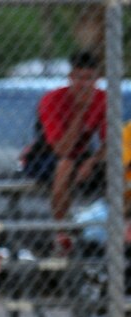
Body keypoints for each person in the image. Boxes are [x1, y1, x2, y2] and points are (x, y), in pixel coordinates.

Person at [25, 51, 107, 256]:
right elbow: (62, 149)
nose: (83, 84)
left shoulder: (102, 99)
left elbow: (110, 142)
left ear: (97, 79)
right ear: (70, 77)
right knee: (65, 164)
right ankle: (61, 233)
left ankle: (114, 231)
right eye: (79, 78)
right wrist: (80, 111)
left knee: (114, 167)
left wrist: (92, 161)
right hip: (45, 154)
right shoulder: (52, 99)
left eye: (89, 78)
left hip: (81, 155)